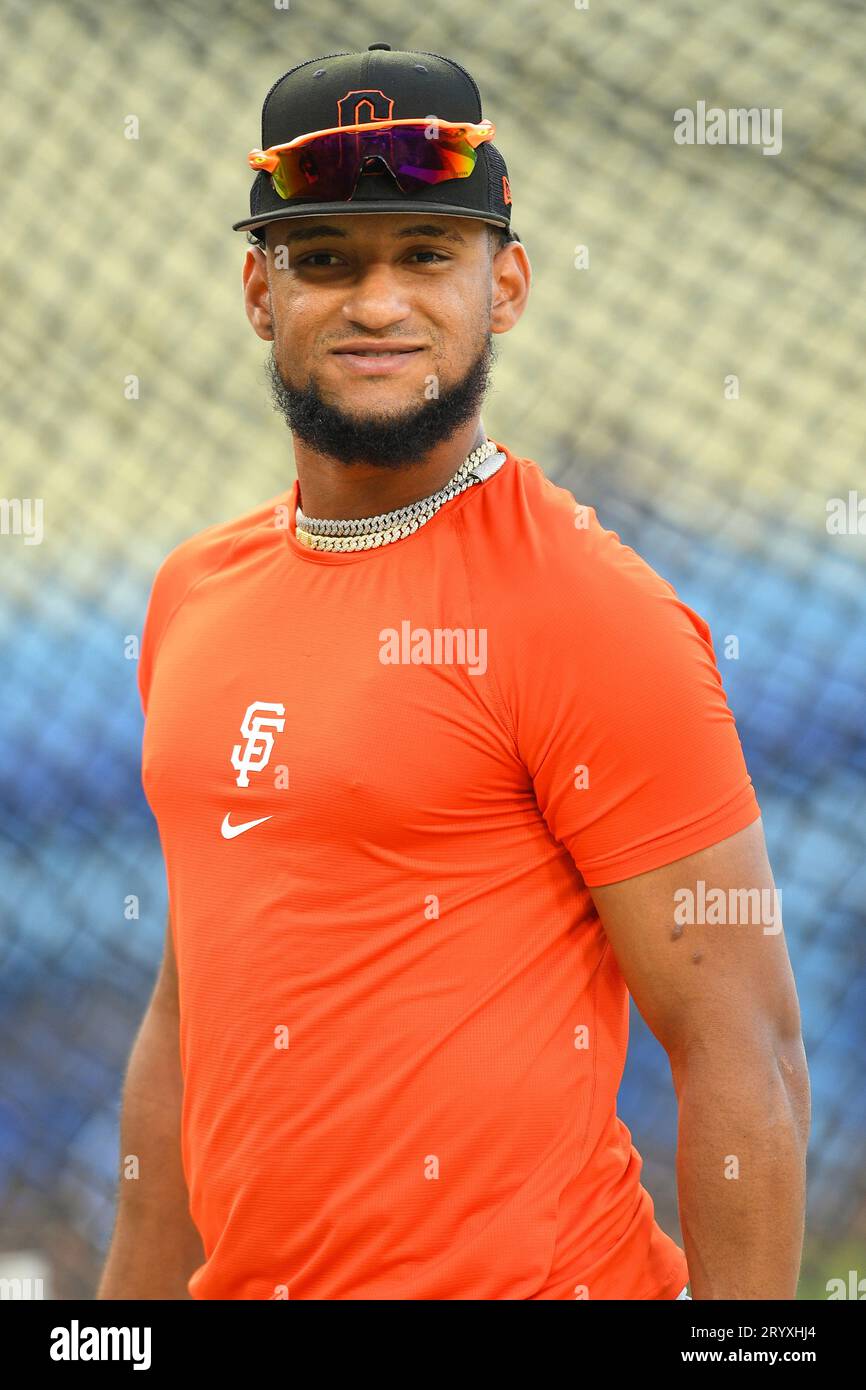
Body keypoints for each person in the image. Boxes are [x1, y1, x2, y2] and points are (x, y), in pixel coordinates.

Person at [99, 44, 809, 1301]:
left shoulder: (591, 609)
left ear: (507, 284)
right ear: (261, 295)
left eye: (425, 254)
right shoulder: (190, 593)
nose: (376, 304)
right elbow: (186, 1025)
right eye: (325, 260)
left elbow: (741, 1049)